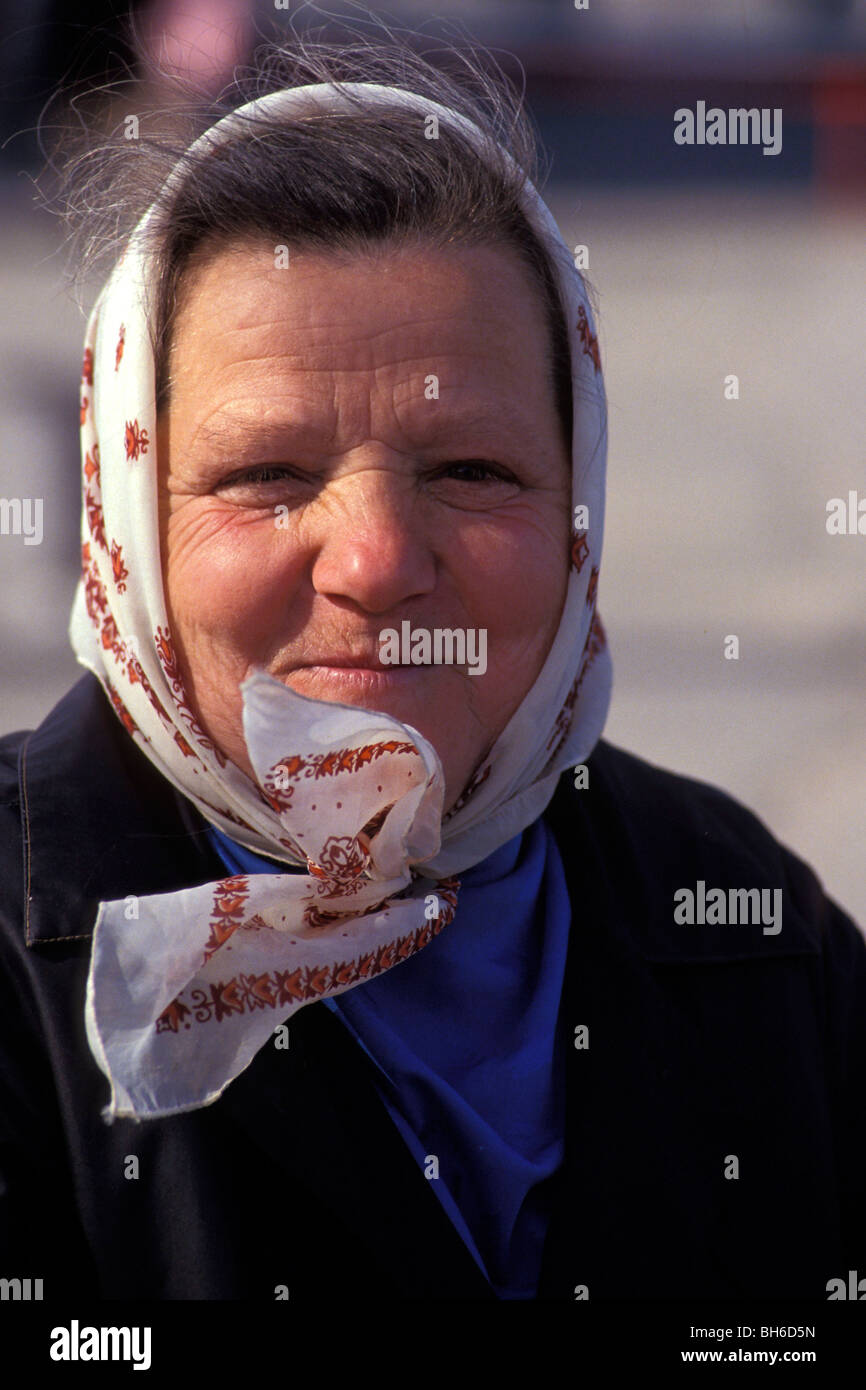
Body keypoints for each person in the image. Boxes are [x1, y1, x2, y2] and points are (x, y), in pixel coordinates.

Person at [0, 33, 864, 1304]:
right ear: (127, 517)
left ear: (577, 508)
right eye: (266, 475)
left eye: (471, 471)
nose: (376, 562)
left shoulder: (744, 924)